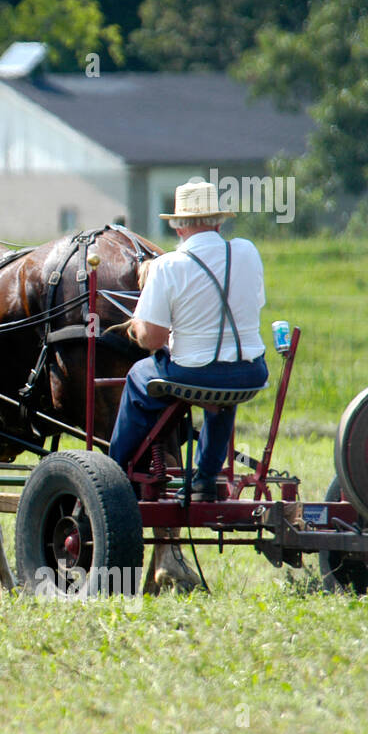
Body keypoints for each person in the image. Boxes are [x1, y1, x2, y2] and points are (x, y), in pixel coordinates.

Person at [108, 177, 269, 501]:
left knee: (139, 376)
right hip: (251, 373)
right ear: (219, 222)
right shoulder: (248, 252)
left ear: (179, 227)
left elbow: (153, 340)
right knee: (223, 391)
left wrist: (136, 325)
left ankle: (115, 472)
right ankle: (205, 479)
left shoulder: (167, 267)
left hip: (193, 373)